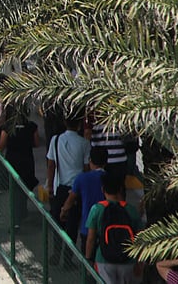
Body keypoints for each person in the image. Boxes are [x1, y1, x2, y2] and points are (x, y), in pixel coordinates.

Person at [85, 172, 143, 283]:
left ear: (103, 189)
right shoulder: (131, 210)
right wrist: (139, 262)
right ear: (121, 189)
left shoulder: (97, 209)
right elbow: (140, 237)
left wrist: (88, 259)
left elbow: (91, 238)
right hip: (128, 260)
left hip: (103, 259)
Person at [48, 115, 91, 259]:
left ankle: (55, 253)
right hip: (76, 189)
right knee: (72, 225)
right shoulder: (84, 143)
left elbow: (51, 165)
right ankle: (68, 258)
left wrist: (50, 187)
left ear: (65, 122)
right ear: (79, 124)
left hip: (60, 187)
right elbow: (86, 168)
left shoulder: (55, 140)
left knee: (57, 223)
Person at [61, 146, 108, 251]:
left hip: (87, 227)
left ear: (90, 161)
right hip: (106, 228)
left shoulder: (81, 178)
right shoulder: (109, 178)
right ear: (106, 162)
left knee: (87, 257)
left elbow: (70, 199)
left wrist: (64, 211)